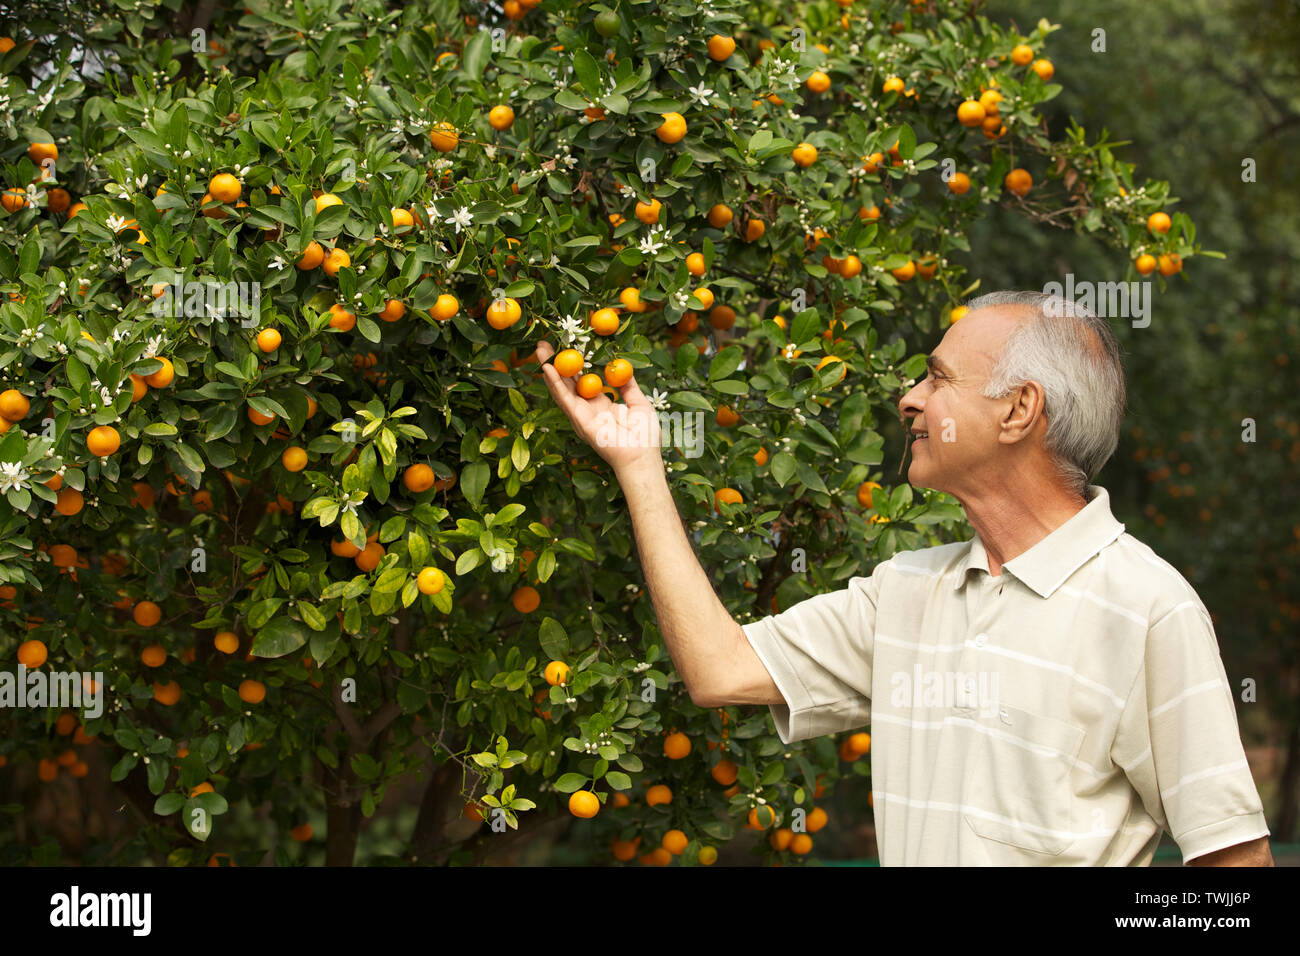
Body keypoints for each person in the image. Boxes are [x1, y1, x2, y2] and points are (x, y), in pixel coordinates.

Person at [533, 290, 1272, 866]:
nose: (909, 397)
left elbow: (1235, 861)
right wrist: (639, 467)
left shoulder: (1147, 609)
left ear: (1019, 409)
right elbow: (718, 668)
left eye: (939, 377)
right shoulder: (905, 592)